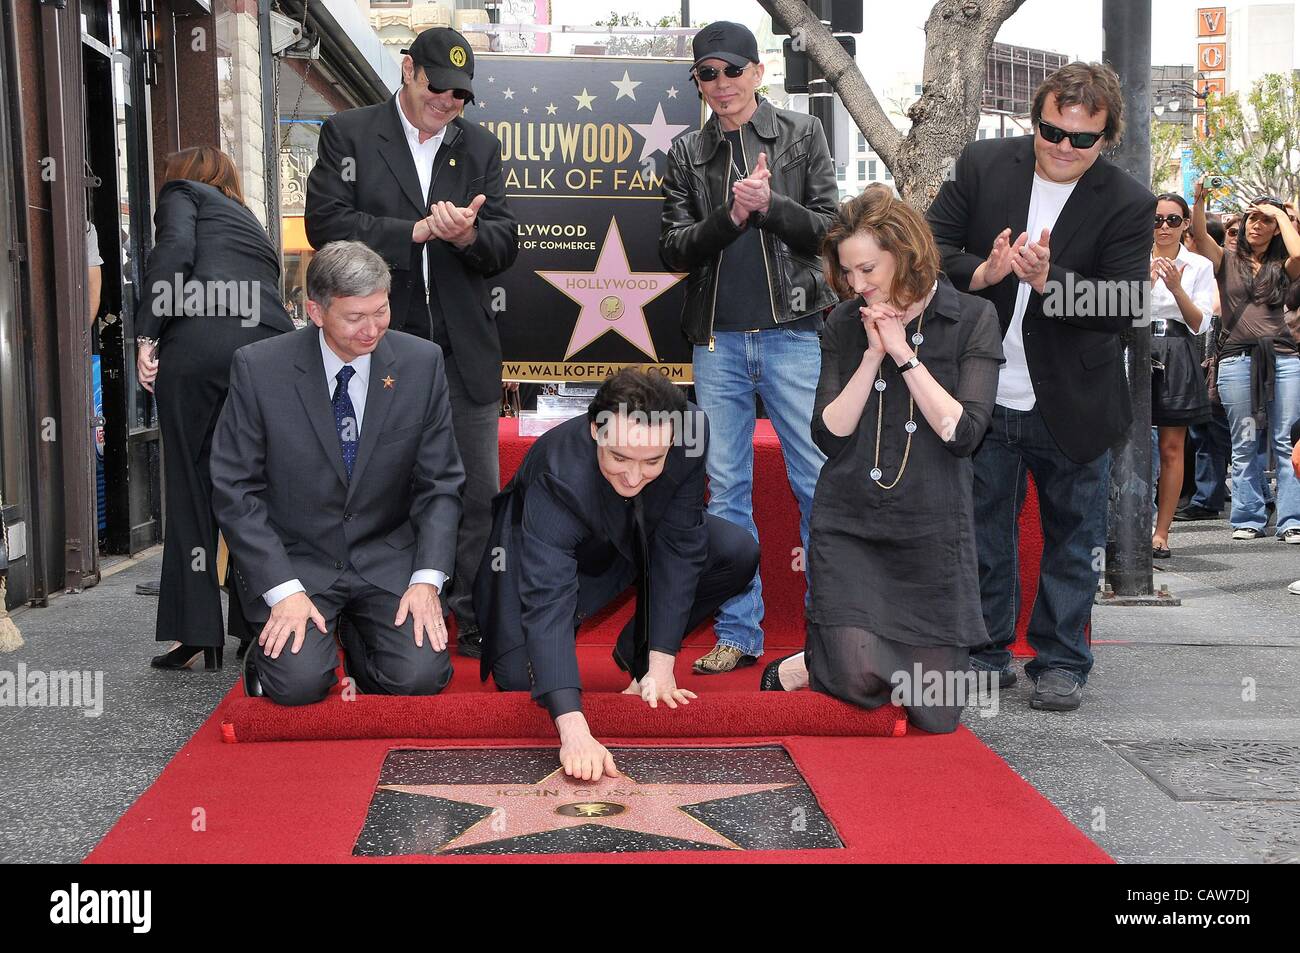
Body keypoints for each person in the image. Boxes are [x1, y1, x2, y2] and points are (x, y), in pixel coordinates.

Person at [926, 62, 1154, 711]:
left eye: (1081, 139)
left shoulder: (1129, 201)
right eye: (1051, 130)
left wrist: (1052, 281)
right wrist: (983, 270)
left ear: (1105, 138)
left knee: (1075, 540)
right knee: (983, 533)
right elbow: (930, 246)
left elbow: (1126, 300)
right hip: (983, 390)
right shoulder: (982, 165)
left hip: (1076, 401)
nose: (1062, 146)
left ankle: (1061, 659)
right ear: (1037, 118)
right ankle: (987, 650)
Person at [305, 26, 518, 659]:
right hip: (374, 345)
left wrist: (464, 238)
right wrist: (418, 231)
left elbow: (504, 244)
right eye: (439, 86)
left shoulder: (479, 146)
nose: (449, 100)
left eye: (461, 93)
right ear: (407, 70)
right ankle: (378, 609)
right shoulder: (349, 134)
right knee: (377, 485)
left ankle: (473, 614)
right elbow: (327, 224)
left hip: (461, 351)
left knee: (474, 490)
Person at [758, 186, 1002, 733]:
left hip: (933, 528)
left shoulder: (972, 318)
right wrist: (870, 356)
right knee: (855, 678)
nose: (857, 285)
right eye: (847, 273)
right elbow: (830, 434)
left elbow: (962, 433)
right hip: (852, 524)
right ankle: (823, 660)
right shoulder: (844, 324)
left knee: (936, 714)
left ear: (907, 253)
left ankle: (813, 662)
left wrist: (903, 353)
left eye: (867, 269)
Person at [211, 241, 465, 705]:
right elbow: (235, 489)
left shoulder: (420, 364)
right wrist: (282, 590)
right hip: (298, 561)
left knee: (419, 679)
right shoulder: (259, 369)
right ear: (315, 310)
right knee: (299, 685)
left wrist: (427, 580)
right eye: (355, 317)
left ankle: (359, 642)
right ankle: (280, 651)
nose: (372, 329)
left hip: (387, 559)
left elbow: (441, 484)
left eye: (381, 311)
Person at [475, 369, 760, 780]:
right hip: (540, 552)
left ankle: (636, 655)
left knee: (735, 551)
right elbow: (547, 599)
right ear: (596, 430)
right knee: (520, 680)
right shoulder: (558, 473)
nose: (633, 476)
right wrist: (573, 730)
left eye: (652, 461)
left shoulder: (691, 429)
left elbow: (681, 547)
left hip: (636, 533)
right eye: (620, 457)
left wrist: (659, 661)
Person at [659, 21, 836, 674]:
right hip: (717, 343)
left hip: (794, 334)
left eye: (732, 70)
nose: (721, 84)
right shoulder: (686, 153)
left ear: (758, 72)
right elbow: (672, 247)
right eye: (707, 73)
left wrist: (768, 207)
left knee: (817, 482)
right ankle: (739, 631)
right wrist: (729, 217)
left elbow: (830, 230)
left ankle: (831, 627)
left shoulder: (802, 133)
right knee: (726, 489)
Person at [134, 147, 295, 671]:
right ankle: (258, 623)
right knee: (253, 485)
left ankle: (195, 631)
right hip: (268, 349)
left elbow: (174, 252)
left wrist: (147, 333)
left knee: (190, 485)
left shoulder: (182, 194)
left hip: (200, 344)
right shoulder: (251, 222)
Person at [1191, 183, 1300, 543]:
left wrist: (1281, 214)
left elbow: (1298, 252)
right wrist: (1199, 199)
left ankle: (1290, 519)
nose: (1255, 224)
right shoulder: (1226, 258)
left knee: (1285, 440)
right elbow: (1201, 236)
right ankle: (1249, 517)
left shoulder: (1281, 265)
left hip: (1282, 358)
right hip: (1236, 358)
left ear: (1275, 227)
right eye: (1251, 217)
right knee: (1245, 439)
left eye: (1263, 220)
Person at [1149, 193, 1215, 558]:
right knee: (1129, 444)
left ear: (1186, 223)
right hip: (1136, 345)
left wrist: (1176, 287)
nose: (1164, 227)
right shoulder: (1132, 256)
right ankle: (1124, 524)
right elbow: (1120, 312)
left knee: (1172, 447)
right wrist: (1144, 279)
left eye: (1173, 220)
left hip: (1177, 348)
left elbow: (1199, 323)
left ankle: (1161, 532)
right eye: (1157, 219)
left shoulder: (1199, 265)